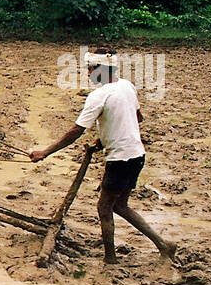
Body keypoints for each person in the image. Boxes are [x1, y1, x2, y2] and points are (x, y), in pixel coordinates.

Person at [29, 52, 176, 265]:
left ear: (102, 70)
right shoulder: (127, 86)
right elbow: (137, 118)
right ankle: (164, 245)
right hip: (136, 155)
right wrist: (102, 140)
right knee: (120, 205)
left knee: (104, 208)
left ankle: (110, 258)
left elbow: (76, 131)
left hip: (120, 159)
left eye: (91, 68)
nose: (88, 73)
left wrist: (45, 152)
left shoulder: (98, 96)